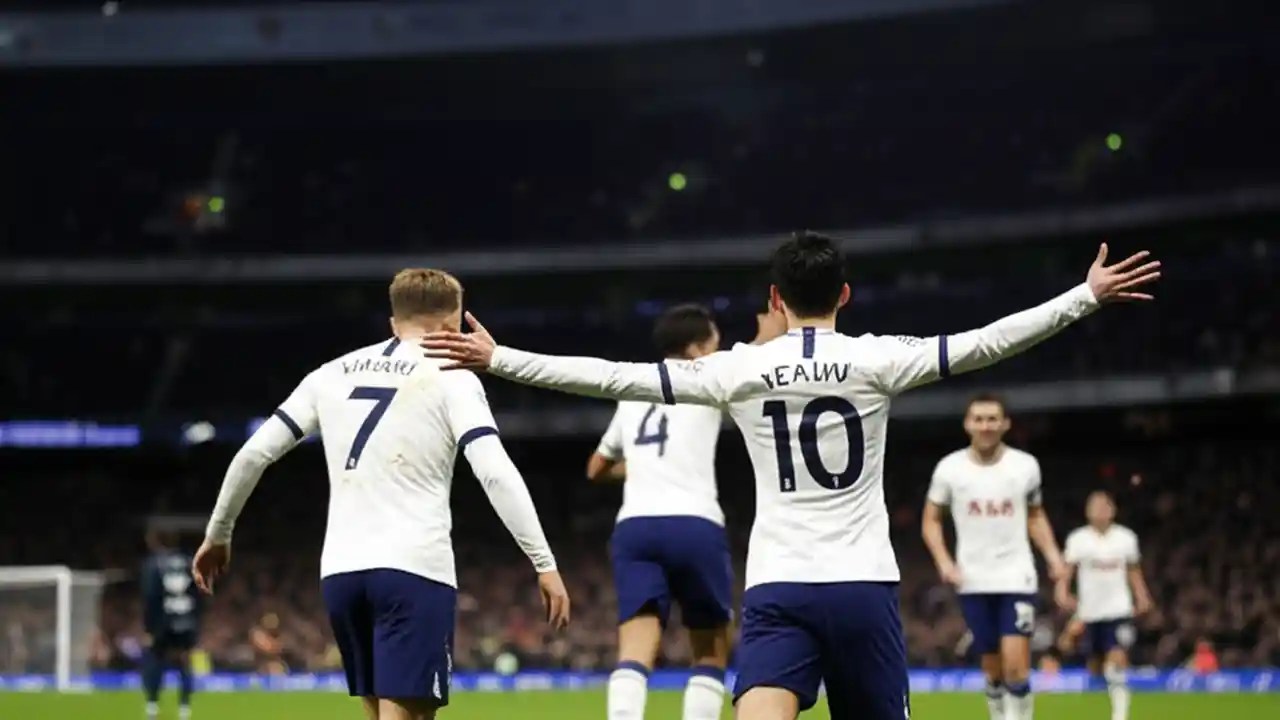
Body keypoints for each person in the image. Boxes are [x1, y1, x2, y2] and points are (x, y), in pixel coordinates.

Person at [421, 232, 1160, 720]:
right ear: (845, 295)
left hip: (779, 586)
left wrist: (501, 358)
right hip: (865, 586)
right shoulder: (879, 359)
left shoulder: (736, 369)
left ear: (774, 300)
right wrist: (1083, 297)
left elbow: (614, 376)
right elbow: (987, 343)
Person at [193, 268, 570, 720]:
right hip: (413, 568)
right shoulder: (453, 374)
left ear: (395, 322)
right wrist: (543, 561)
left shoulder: (328, 375)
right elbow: (494, 471)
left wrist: (219, 533)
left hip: (341, 573)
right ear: (455, 326)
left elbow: (253, 455)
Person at [586, 304, 733, 720]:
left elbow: (596, 467)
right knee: (710, 650)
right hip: (694, 522)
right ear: (694, 349)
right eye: (713, 344)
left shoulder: (635, 390)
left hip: (636, 527)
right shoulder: (711, 378)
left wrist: (646, 466)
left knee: (634, 650)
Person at [921, 394, 1066, 720]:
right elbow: (930, 520)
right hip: (972, 579)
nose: (985, 425)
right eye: (979, 419)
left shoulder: (1025, 466)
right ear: (967, 424)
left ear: (1005, 424)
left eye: (992, 419)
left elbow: (1035, 516)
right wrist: (945, 562)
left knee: (1016, 665)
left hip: (1017, 575)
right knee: (992, 666)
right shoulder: (949, 469)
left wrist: (1053, 556)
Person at [1056, 491, 1153, 720]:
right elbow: (1067, 570)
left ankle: (1120, 715)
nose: (1099, 510)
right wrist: (1061, 592)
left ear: (1113, 510)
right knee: (1096, 666)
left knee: (1116, 661)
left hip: (1119, 610)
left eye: (1104, 506)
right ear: (1087, 511)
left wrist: (1142, 596)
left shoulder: (1126, 538)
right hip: (1090, 612)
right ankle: (1100, 706)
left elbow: (1133, 570)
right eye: (1095, 506)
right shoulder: (1078, 539)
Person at [141, 529, 202, 720]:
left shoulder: (153, 564)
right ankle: (184, 709)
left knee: (155, 662)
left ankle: (152, 707)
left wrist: (149, 628)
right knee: (185, 663)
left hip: (162, 622)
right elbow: (199, 593)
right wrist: (196, 620)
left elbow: (150, 597)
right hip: (186, 620)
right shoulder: (190, 562)